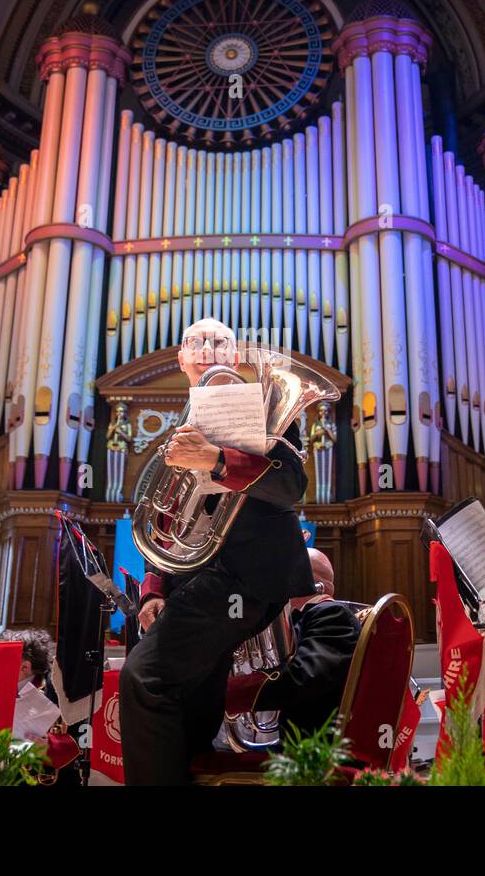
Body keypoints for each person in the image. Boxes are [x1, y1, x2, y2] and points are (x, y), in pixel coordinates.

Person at [120, 318, 316, 785]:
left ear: (234, 356)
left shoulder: (267, 409)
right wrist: (152, 591)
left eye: (220, 342)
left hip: (247, 575)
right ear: (181, 358)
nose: (208, 348)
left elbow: (291, 486)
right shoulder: (181, 426)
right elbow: (166, 520)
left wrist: (216, 459)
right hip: (202, 580)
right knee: (188, 700)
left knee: (143, 679)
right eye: (196, 342)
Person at [225, 549, 361, 738]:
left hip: (313, 747)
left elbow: (304, 676)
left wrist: (229, 692)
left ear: (308, 582)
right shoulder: (302, 617)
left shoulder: (331, 614)